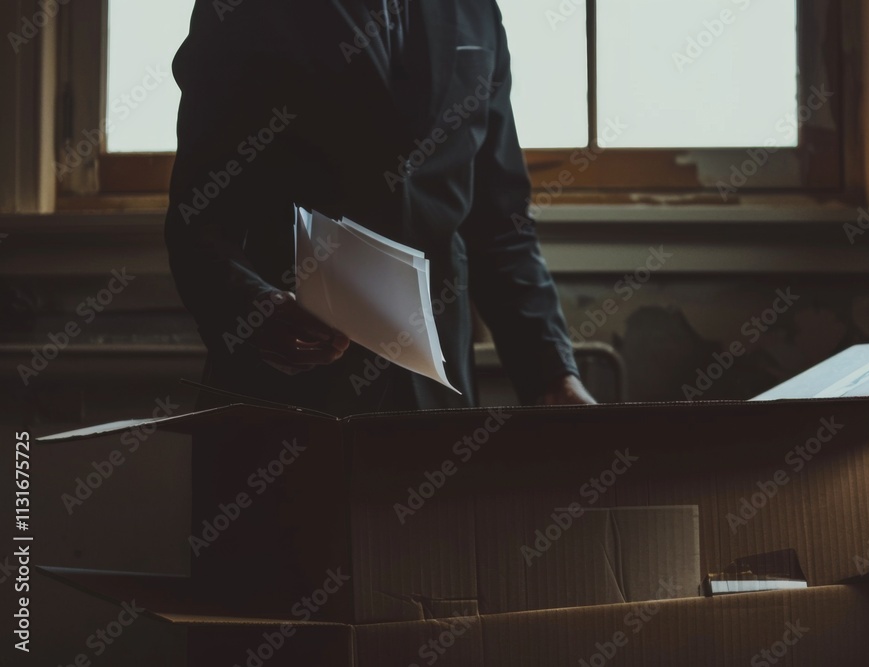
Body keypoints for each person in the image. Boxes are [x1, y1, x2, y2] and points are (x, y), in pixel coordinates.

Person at [164, 0, 594, 415]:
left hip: (437, 404)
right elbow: (198, 217)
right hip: (281, 398)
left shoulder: (477, 8)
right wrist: (251, 307)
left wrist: (554, 375)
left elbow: (500, 225)